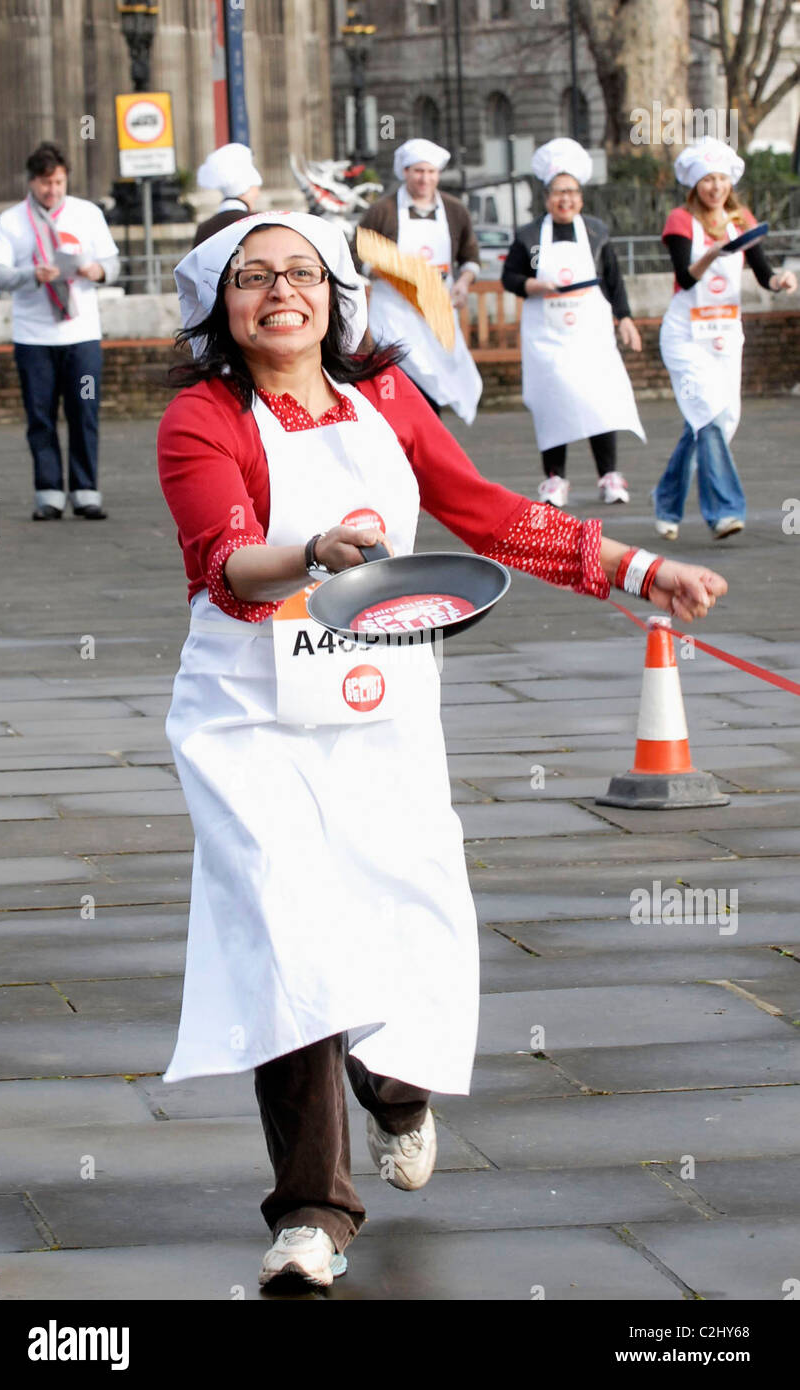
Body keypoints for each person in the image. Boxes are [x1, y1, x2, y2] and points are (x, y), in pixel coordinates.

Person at [156, 210, 727, 1289]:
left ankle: (396, 1084)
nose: (281, 291)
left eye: (301, 272)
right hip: (251, 713)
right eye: (251, 278)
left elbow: (490, 515)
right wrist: (314, 553)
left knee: (405, 913)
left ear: (336, 291)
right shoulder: (199, 418)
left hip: (379, 701)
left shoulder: (386, 397)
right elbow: (225, 561)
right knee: (285, 931)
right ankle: (313, 1213)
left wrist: (642, 574)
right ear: (218, 307)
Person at [653, 136, 797, 541]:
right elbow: (684, 277)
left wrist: (780, 280)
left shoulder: (742, 220)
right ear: (695, 184)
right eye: (706, 179)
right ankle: (724, 512)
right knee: (707, 417)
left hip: (725, 338)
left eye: (721, 179)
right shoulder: (680, 220)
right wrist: (714, 252)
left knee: (712, 422)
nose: (715, 187)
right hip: (685, 337)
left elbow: (763, 271)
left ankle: (665, 501)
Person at [502, 137, 645, 509]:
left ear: (581, 197)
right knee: (554, 402)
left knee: (601, 399)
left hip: (590, 333)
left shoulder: (596, 232)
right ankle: (554, 479)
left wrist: (624, 317)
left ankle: (609, 475)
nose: (565, 199)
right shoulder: (530, 236)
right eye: (558, 192)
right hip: (547, 336)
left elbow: (613, 280)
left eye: (572, 192)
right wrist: (530, 284)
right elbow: (509, 277)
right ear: (547, 196)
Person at [0, 141, 120, 520]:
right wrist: (32, 275)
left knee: (85, 410)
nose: (53, 190)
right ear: (32, 182)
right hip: (34, 338)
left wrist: (99, 271)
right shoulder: (12, 221)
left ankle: (85, 490)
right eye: (45, 183)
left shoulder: (87, 214)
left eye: (59, 182)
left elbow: (112, 262)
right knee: (40, 414)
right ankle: (48, 492)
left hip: (82, 337)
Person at [355, 137, 483, 422]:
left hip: (436, 312)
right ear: (405, 172)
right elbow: (356, 254)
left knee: (435, 376)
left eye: (430, 172)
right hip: (393, 313)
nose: (424, 179)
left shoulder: (454, 210)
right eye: (417, 171)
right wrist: (387, 269)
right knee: (402, 376)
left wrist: (463, 283)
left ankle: (430, 437)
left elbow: (470, 256)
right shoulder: (383, 211)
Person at [194, 142, 263, 247]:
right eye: (255, 189)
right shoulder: (258, 222)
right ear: (245, 188)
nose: (258, 195)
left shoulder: (204, 229)